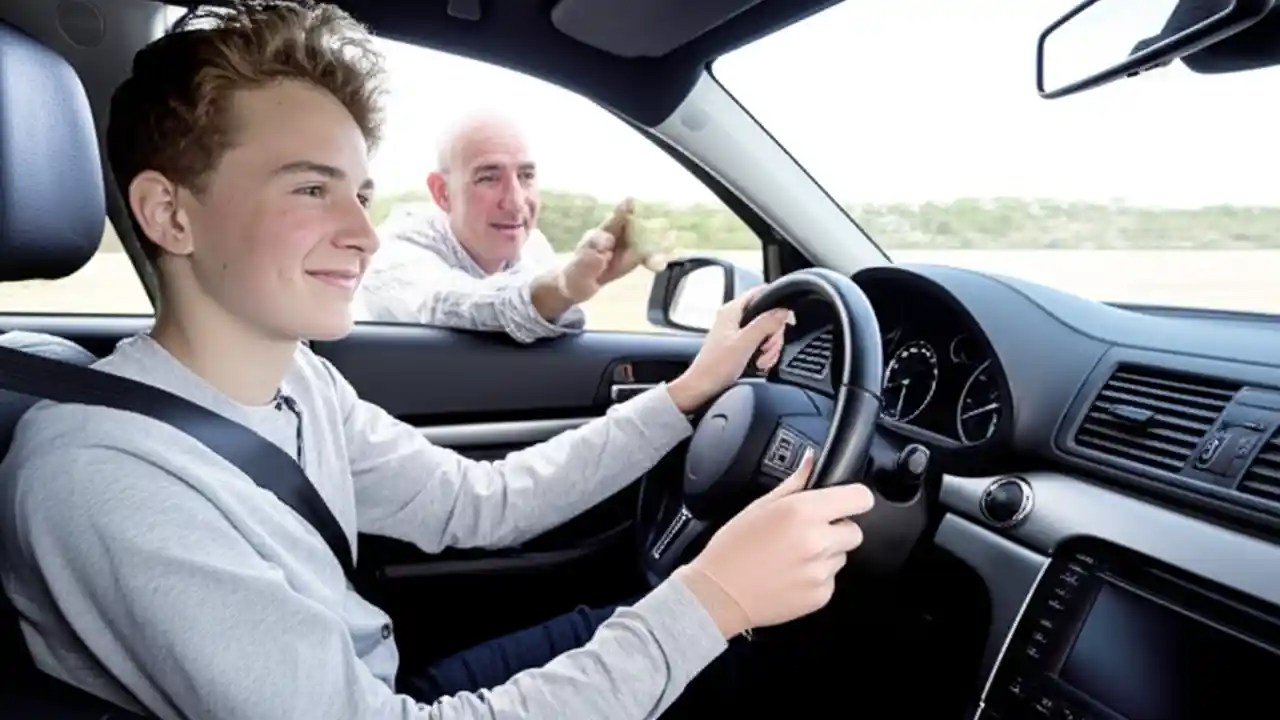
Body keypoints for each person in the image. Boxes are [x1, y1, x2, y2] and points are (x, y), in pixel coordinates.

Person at [0, 2, 874, 719]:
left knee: (703, 650)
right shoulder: (107, 478)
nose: (363, 235)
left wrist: (686, 394)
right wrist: (711, 599)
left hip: (374, 685)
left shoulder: (299, 379)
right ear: (171, 213)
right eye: (311, 188)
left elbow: (481, 503)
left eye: (361, 193)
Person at [356, 112, 656, 343]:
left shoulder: (533, 246)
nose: (515, 203)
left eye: (525, 176)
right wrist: (563, 287)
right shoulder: (394, 252)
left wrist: (588, 272)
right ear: (442, 193)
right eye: (489, 178)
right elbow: (446, 303)